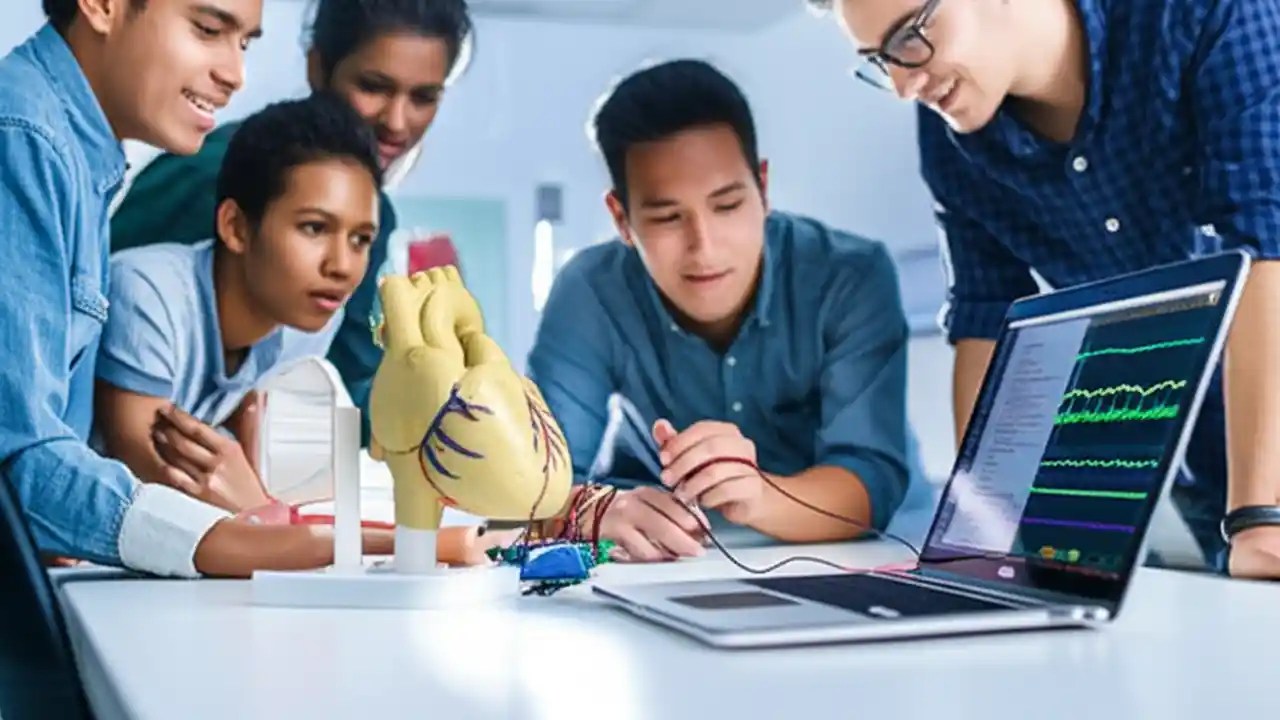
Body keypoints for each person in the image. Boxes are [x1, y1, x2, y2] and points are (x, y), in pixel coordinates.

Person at [809, 0, 1280, 577]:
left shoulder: (1205, 13)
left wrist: (1261, 513)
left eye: (911, 36)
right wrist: (982, 540)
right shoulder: (953, 133)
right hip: (1214, 478)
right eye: (881, 61)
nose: (906, 86)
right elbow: (984, 318)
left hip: (1259, 494)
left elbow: (1266, 243)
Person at [0, 0, 400, 579]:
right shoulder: (25, 141)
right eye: (208, 29)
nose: (235, 74)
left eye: (245, 43)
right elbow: (18, 457)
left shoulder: (78, 159)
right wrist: (235, 535)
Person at [527, 59, 926, 563]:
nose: (704, 247)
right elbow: (539, 483)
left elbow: (868, 481)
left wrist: (757, 494)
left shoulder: (851, 275)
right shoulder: (589, 291)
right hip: (681, 556)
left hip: (866, 551)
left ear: (763, 187)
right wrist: (595, 509)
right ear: (622, 219)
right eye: (669, 216)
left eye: (728, 205)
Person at [110, 0, 474, 445]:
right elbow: (100, 331)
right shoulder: (209, 177)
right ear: (319, 68)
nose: (397, 122)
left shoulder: (317, 311)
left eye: (423, 97)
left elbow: (344, 384)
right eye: (374, 86)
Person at [94, 93, 381, 515]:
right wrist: (263, 511)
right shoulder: (148, 296)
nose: (342, 266)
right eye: (315, 228)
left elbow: (241, 455)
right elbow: (154, 487)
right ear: (236, 227)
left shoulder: (311, 319)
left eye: (361, 239)